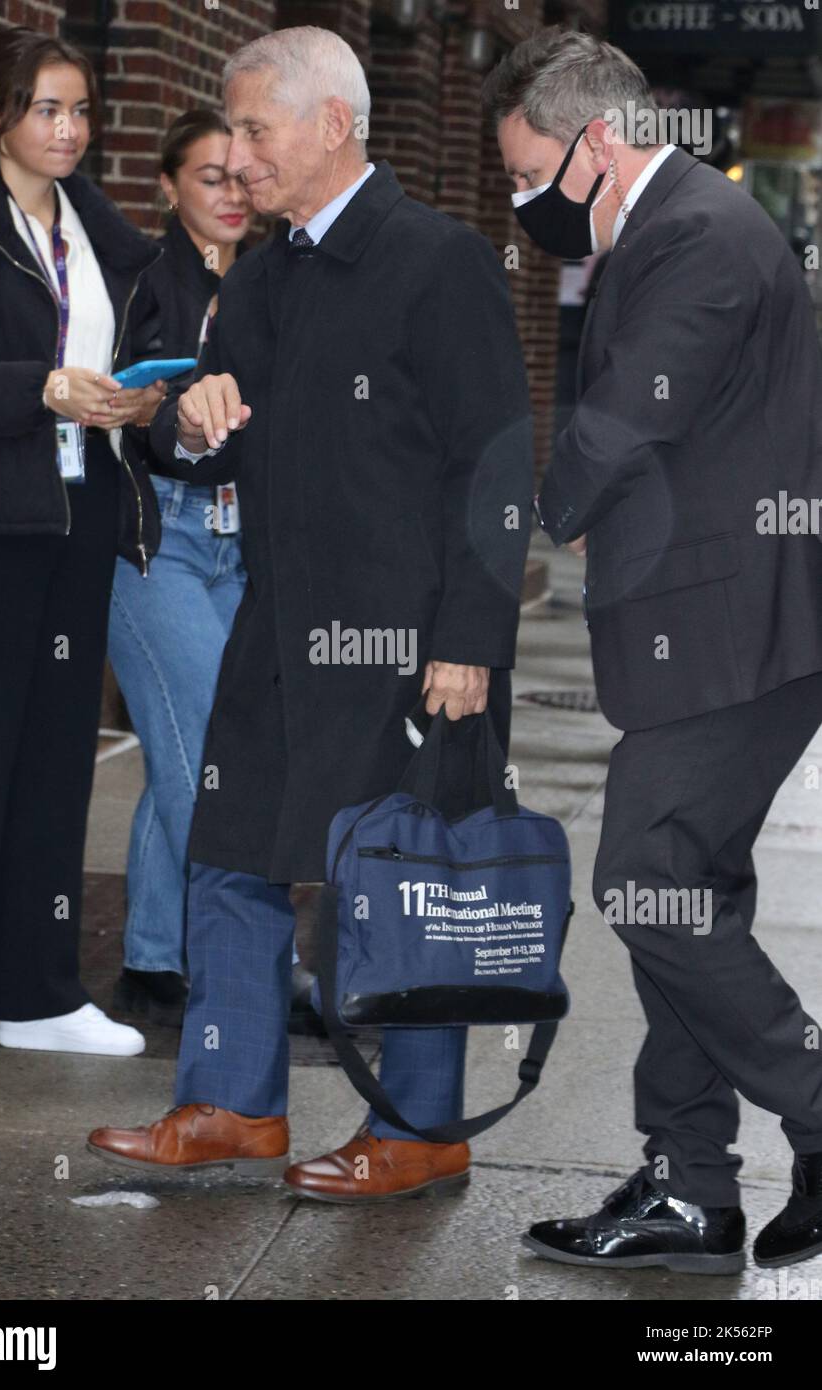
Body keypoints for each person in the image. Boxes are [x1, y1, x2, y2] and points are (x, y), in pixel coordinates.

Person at [87, 24, 534, 1199]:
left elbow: (493, 465)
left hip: (406, 642)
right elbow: (204, 442)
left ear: (331, 124)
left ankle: (420, 1127)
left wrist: (468, 641)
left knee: (401, 876)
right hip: (272, 624)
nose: (234, 155)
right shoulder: (267, 270)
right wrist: (186, 421)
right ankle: (233, 1104)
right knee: (229, 852)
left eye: (251, 128)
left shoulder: (439, 261)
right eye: (225, 131)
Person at [485, 26, 822, 1272]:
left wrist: (522, 522)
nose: (523, 204)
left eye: (529, 177)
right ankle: (688, 1188)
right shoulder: (669, 224)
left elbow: (631, 413)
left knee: (639, 878)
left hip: (734, 630)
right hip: (715, 623)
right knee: (683, 888)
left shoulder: (696, 236)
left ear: (599, 143)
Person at [0, 27, 168, 1059]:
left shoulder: (108, 237)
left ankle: (38, 990)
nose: (69, 129)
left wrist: (139, 401)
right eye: (46, 109)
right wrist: (40, 387)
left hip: (83, 509)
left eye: (82, 110)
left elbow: (131, 357)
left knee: (58, 756)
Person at [108, 111, 250, 1027]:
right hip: (156, 541)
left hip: (243, 541)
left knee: (193, 751)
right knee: (201, 753)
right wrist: (147, 404)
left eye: (243, 178)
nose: (232, 195)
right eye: (210, 178)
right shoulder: (141, 278)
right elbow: (102, 397)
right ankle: (236, 954)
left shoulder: (276, 278)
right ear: (168, 186)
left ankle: (156, 955)